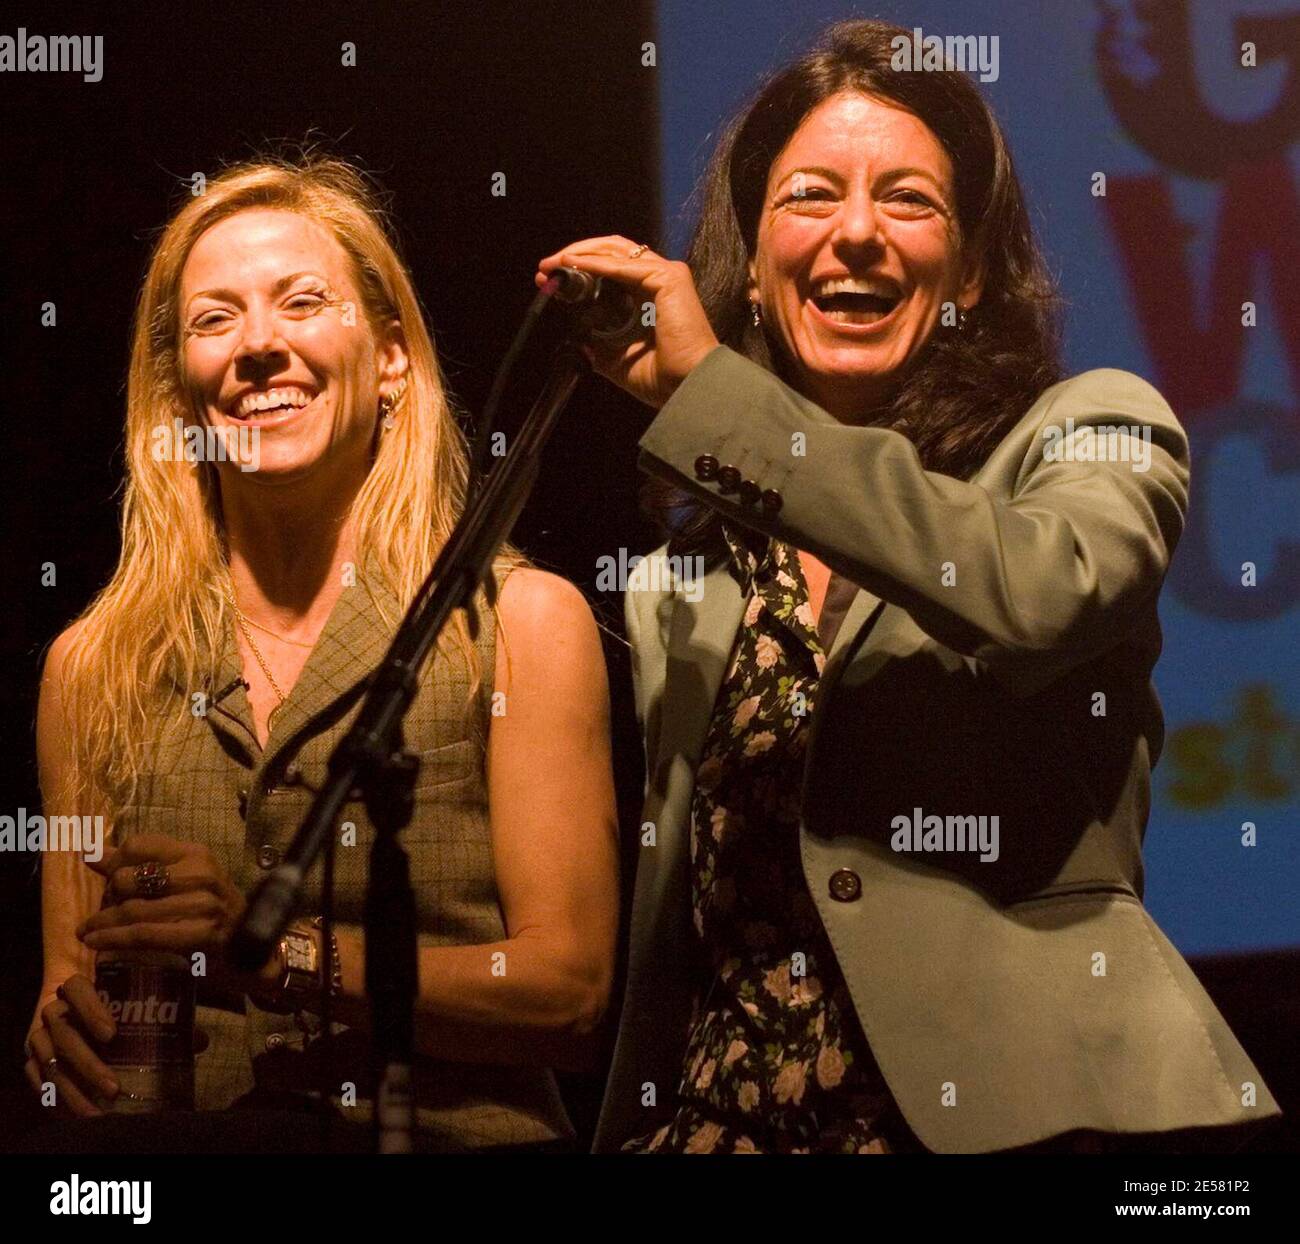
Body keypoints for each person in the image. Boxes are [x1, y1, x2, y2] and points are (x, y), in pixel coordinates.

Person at [538, 18, 1282, 1154]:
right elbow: (677, 934)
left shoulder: (1094, 430)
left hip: (1015, 1119)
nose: (855, 235)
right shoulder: (683, 585)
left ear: (971, 271)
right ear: (749, 261)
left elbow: (1038, 593)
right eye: (808, 197)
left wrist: (713, 394)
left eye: (908, 201)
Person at [26, 153, 619, 1152]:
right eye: (215, 320)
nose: (259, 346)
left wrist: (283, 956)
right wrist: (56, 1043)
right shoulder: (92, 667)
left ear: (390, 359)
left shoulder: (518, 623)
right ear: (178, 396)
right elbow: (68, 989)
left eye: (302, 303)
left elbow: (570, 991)